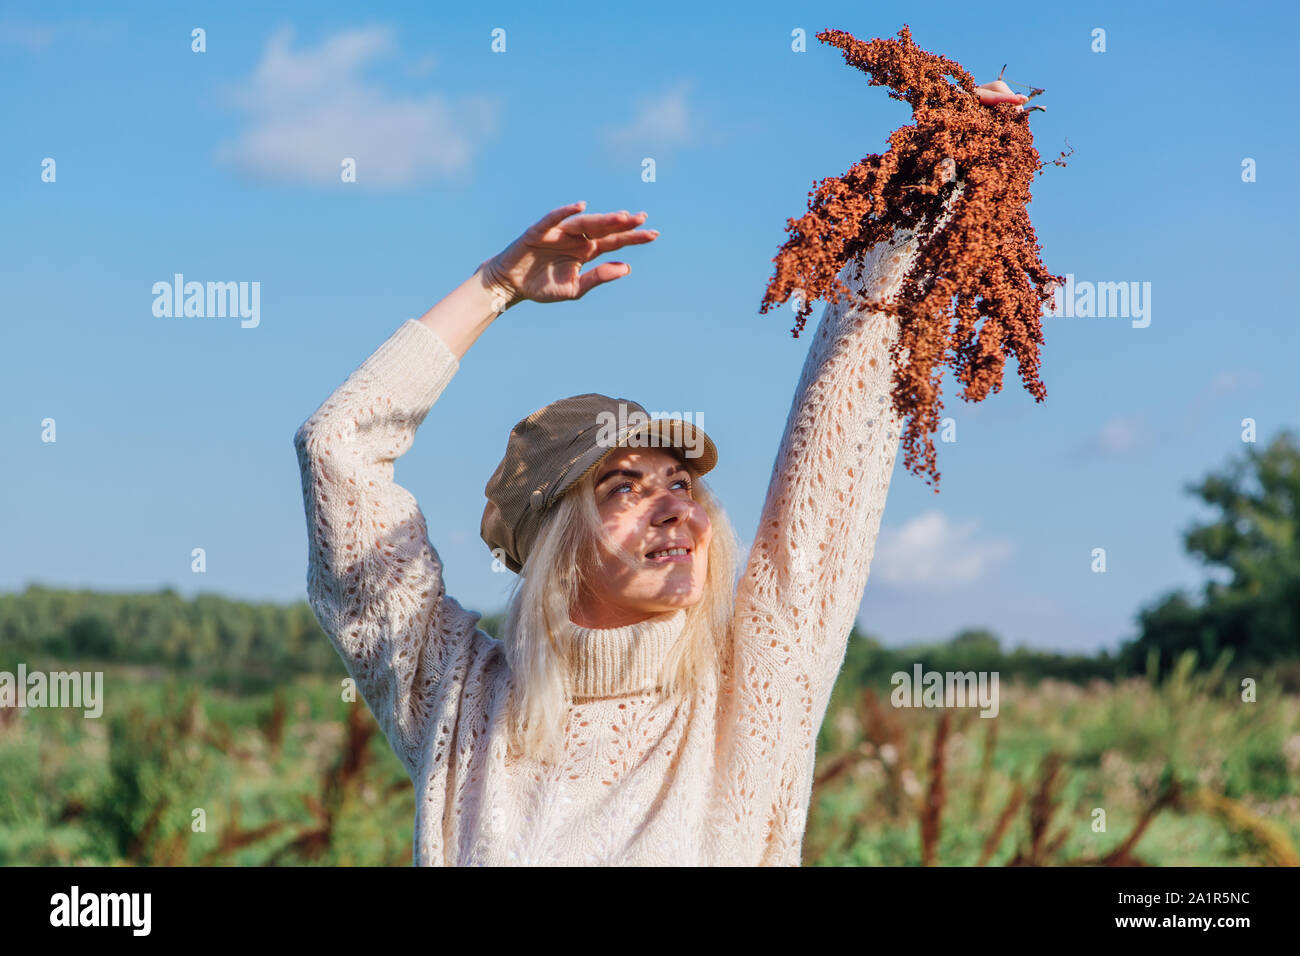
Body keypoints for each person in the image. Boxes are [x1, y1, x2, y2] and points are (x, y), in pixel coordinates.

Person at [293, 78, 1017, 866]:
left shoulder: (753, 687)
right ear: (555, 546)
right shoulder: (458, 698)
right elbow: (337, 452)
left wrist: (937, 183)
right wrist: (495, 286)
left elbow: (840, 429)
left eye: (680, 483)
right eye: (624, 488)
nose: (674, 509)